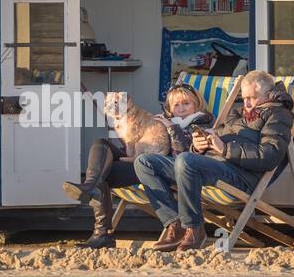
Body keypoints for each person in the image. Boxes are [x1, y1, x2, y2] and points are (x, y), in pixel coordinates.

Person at [134, 70, 294, 252]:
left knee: (186, 160)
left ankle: (194, 229)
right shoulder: (238, 112)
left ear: (267, 94)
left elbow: (268, 157)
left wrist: (224, 149)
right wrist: (199, 146)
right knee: (144, 162)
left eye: (253, 98)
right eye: (244, 97)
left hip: (243, 176)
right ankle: (174, 224)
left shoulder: (278, 115)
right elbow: (217, 138)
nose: (247, 103)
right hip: (214, 165)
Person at [64, 84, 212, 249]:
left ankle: (101, 228)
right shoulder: (165, 119)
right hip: (144, 162)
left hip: (162, 169)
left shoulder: (200, 123)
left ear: (197, 103)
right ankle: (92, 190)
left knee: (105, 172)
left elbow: (183, 155)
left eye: (186, 103)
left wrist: (171, 127)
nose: (181, 108)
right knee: (101, 149)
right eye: (176, 105)